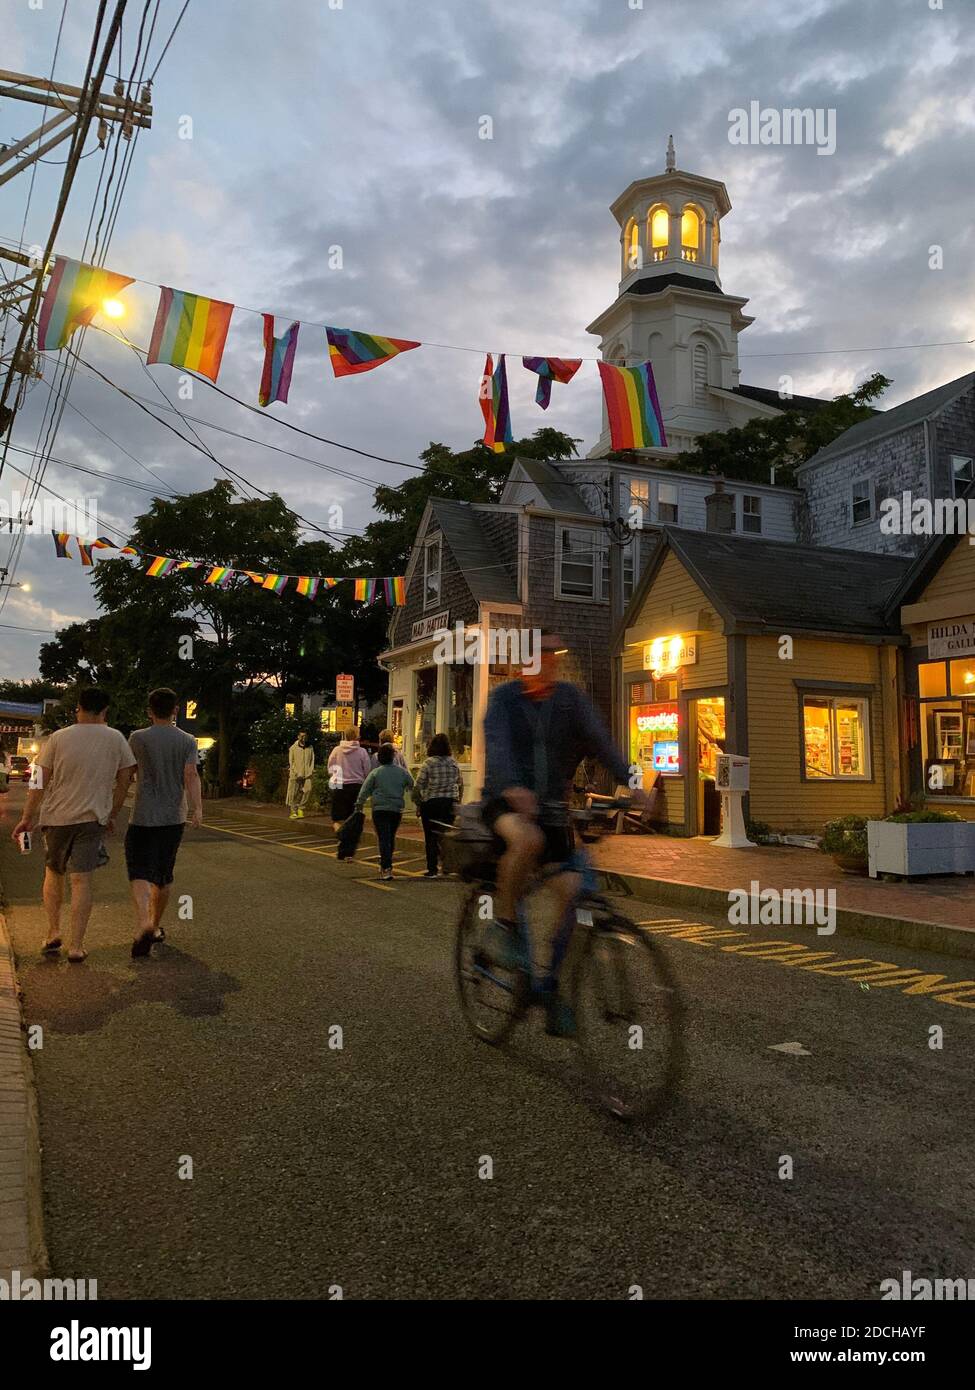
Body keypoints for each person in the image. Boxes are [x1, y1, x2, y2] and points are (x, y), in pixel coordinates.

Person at [480, 634, 647, 1035]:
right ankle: (503, 925)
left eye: (552, 658)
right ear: (523, 666)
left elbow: (602, 742)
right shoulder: (504, 701)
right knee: (527, 841)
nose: (547, 665)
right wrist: (513, 787)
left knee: (577, 892)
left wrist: (635, 782)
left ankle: (550, 987)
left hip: (551, 809)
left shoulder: (569, 700)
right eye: (539, 658)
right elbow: (498, 748)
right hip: (504, 801)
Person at [10, 687, 135, 963]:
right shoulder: (116, 738)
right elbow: (125, 780)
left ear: (78, 707)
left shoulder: (59, 737)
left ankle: (53, 931)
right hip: (92, 820)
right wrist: (111, 814)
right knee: (82, 880)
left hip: (56, 819)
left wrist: (27, 817)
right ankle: (77, 946)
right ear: (105, 711)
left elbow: (38, 781)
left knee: (53, 873)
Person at [125, 688, 202, 959]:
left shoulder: (137, 738)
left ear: (149, 711)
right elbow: (190, 774)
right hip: (173, 816)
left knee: (139, 871)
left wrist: (112, 808)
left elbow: (128, 772)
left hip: (143, 814)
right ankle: (155, 925)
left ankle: (143, 921)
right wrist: (198, 809)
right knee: (163, 873)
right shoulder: (188, 740)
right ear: (175, 710)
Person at [354, 743, 414, 880]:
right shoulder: (402, 772)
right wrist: (417, 802)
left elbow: (364, 790)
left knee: (383, 837)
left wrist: (359, 804)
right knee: (390, 836)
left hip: (379, 809)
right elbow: (412, 786)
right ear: (393, 757)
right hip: (396, 809)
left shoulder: (376, 773)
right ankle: (387, 863)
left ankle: (386, 866)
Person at [412, 732, 463, 877]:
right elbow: (459, 783)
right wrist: (458, 801)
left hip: (432, 803)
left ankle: (432, 868)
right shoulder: (453, 763)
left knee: (431, 837)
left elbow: (418, 787)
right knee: (446, 835)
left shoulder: (428, 763)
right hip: (449, 802)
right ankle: (448, 866)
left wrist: (419, 803)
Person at [327, 727, 372, 832]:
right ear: (357, 736)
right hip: (357, 786)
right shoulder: (362, 752)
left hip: (340, 786)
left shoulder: (337, 750)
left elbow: (331, 767)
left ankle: (340, 833)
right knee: (353, 815)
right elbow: (367, 769)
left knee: (337, 817)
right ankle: (350, 835)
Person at [287, 731, 315, 819]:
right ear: (298, 737)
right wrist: (295, 772)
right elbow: (291, 761)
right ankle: (293, 811)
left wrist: (310, 770)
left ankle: (301, 807)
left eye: (305, 736)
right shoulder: (293, 748)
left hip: (307, 773)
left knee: (308, 789)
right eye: (302, 736)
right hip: (296, 774)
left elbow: (312, 760)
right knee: (294, 793)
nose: (303, 738)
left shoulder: (310, 747)